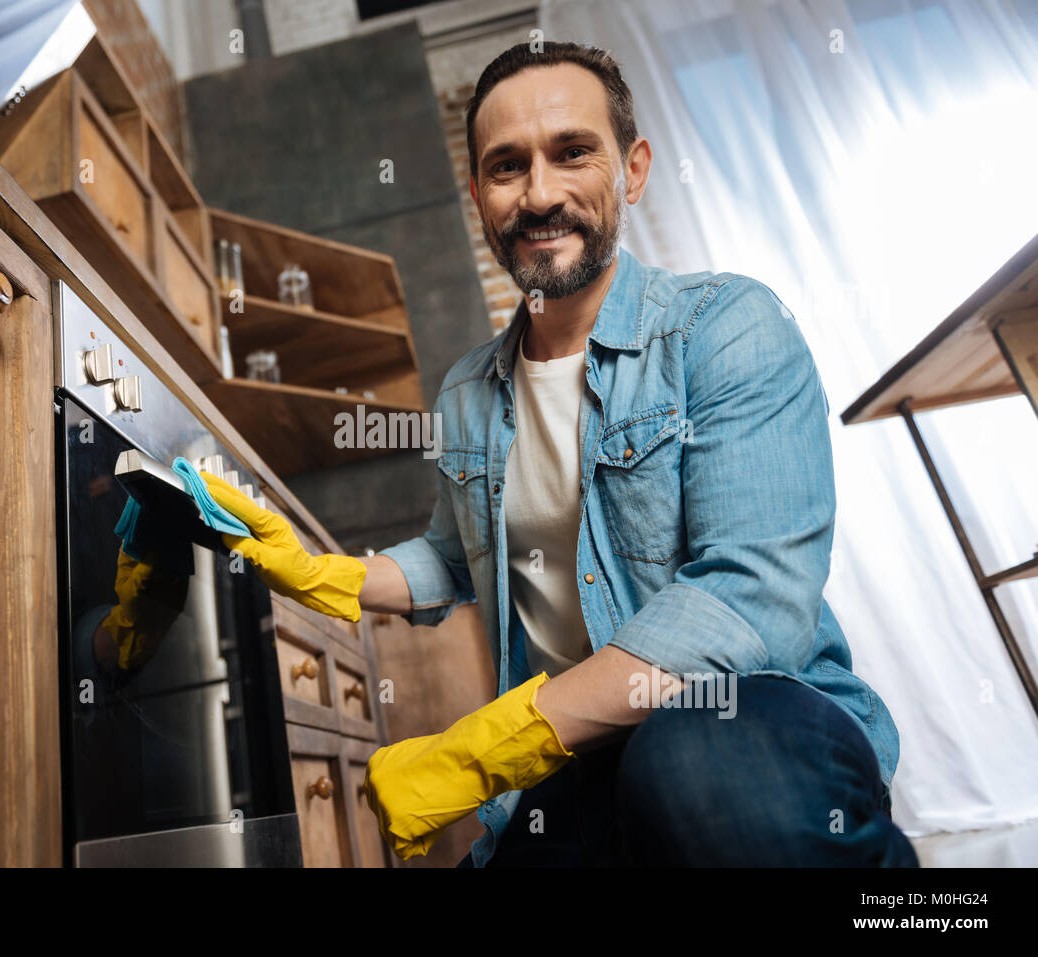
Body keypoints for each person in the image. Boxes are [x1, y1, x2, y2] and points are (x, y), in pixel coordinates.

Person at [201, 40, 918, 868]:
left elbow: (747, 600)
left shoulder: (727, 328)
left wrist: (482, 751)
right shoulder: (470, 390)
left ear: (634, 169)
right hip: (568, 766)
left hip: (739, 723)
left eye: (572, 153)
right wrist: (331, 575)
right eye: (506, 168)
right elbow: (454, 554)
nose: (539, 193)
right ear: (478, 196)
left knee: (691, 770)